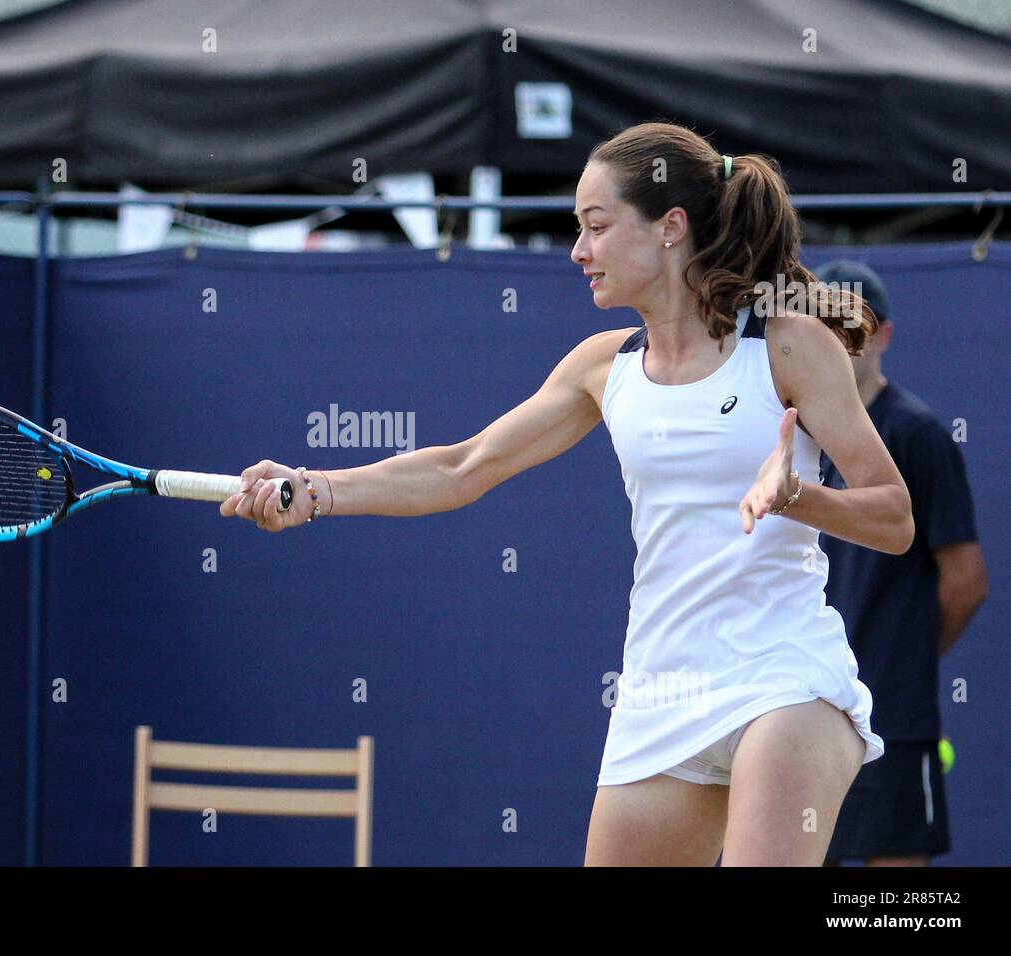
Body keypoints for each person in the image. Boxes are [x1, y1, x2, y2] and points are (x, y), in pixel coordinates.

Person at [220, 121, 915, 866]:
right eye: (576, 230)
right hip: (661, 694)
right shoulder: (601, 367)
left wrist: (794, 498)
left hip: (783, 679)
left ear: (670, 228)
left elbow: (894, 517)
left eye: (596, 227)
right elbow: (462, 468)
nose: (579, 252)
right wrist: (316, 488)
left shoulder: (786, 345)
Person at [814, 260, 988, 868]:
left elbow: (966, 583)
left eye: (852, 326)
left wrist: (901, 661)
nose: (836, 340)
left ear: (883, 335)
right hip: (799, 708)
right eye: (821, 324)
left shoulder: (918, 435)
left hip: (892, 714)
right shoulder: (790, 435)